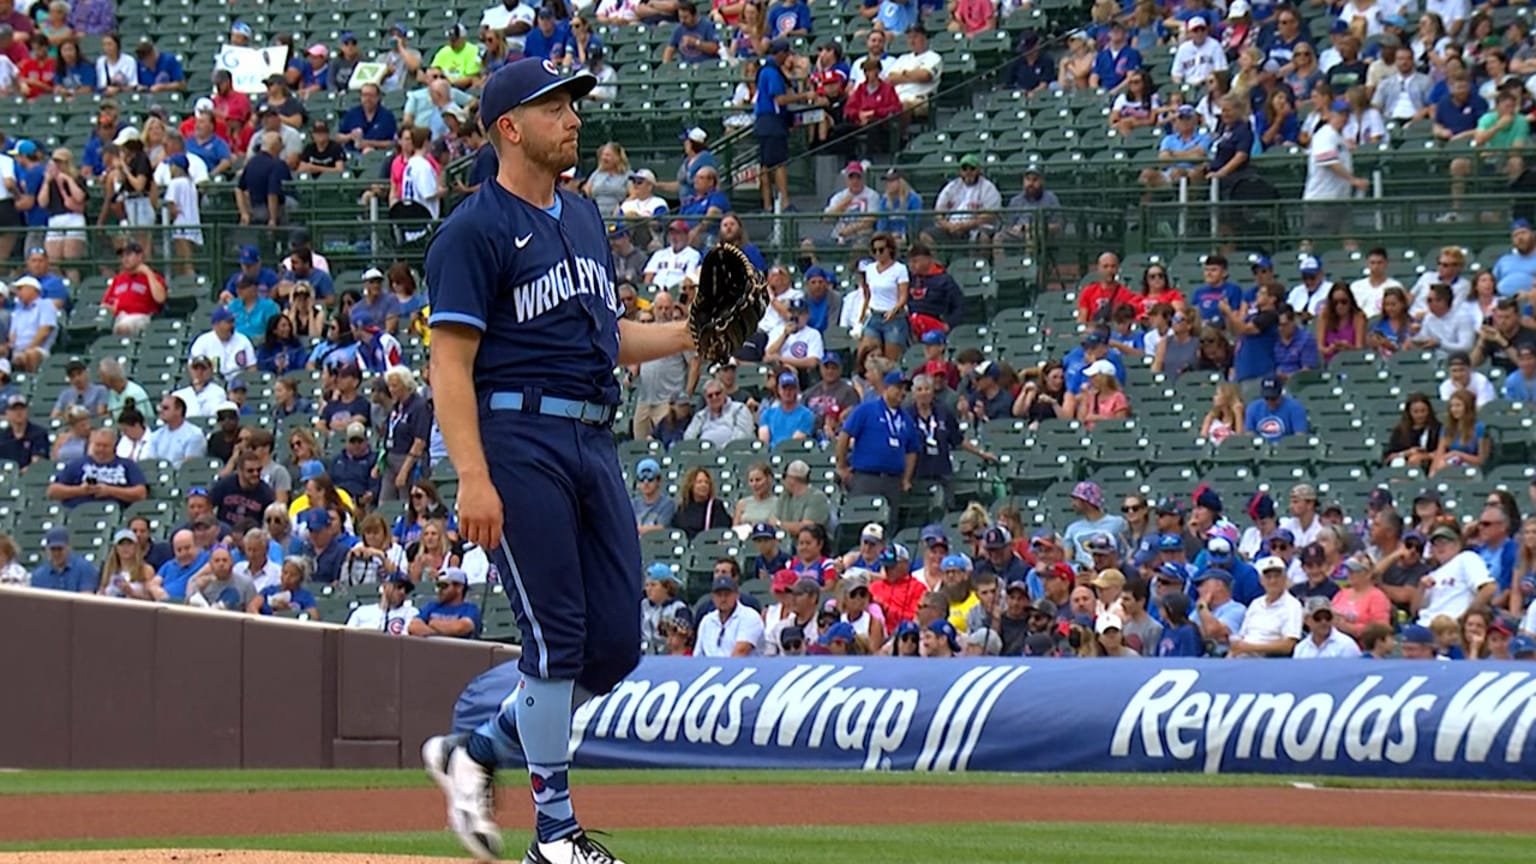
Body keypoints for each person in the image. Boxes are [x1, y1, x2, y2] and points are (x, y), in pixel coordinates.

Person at [420, 59, 702, 864]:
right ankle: (556, 836)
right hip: (516, 438)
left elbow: (607, 340)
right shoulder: (472, 231)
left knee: (613, 645)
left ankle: (475, 750)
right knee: (557, 640)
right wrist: (472, 475)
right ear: (510, 127)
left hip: (588, 436)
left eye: (573, 102)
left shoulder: (581, 218)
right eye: (555, 106)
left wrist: (691, 332)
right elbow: (450, 366)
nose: (573, 118)